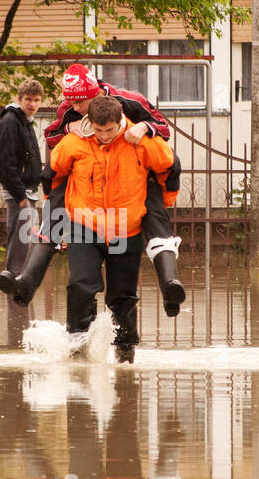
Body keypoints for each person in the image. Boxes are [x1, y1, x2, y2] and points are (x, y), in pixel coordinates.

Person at [0, 63, 186, 316]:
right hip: (85, 186)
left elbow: (164, 129)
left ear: (96, 93)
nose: (74, 108)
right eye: (71, 103)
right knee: (55, 211)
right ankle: (26, 283)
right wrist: (68, 128)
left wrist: (143, 128)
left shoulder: (129, 101)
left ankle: (170, 289)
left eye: (80, 103)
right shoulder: (69, 110)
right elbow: (51, 138)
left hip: (137, 173)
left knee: (155, 220)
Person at [50, 94, 177, 363]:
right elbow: (55, 171)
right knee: (81, 284)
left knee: (123, 295)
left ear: (121, 121)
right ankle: (77, 343)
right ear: (89, 124)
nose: (105, 135)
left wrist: (162, 204)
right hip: (84, 225)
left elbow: (168, 166)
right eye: (99, 130)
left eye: (110, 130)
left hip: (126, 228)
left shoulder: (142, 142)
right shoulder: (74, 142)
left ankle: (125, 350)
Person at [0, 79, 44, 285]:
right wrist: (20, 196)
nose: (32, 104)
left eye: (37, 100)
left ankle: (20, 279)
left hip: (27, 191)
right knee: (20, 238)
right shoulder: (10, 122)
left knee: (27, 237)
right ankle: (13, 279)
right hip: (19, 193)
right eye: (28, 99)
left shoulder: (25, 122)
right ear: (19, 99)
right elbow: (4, 164)